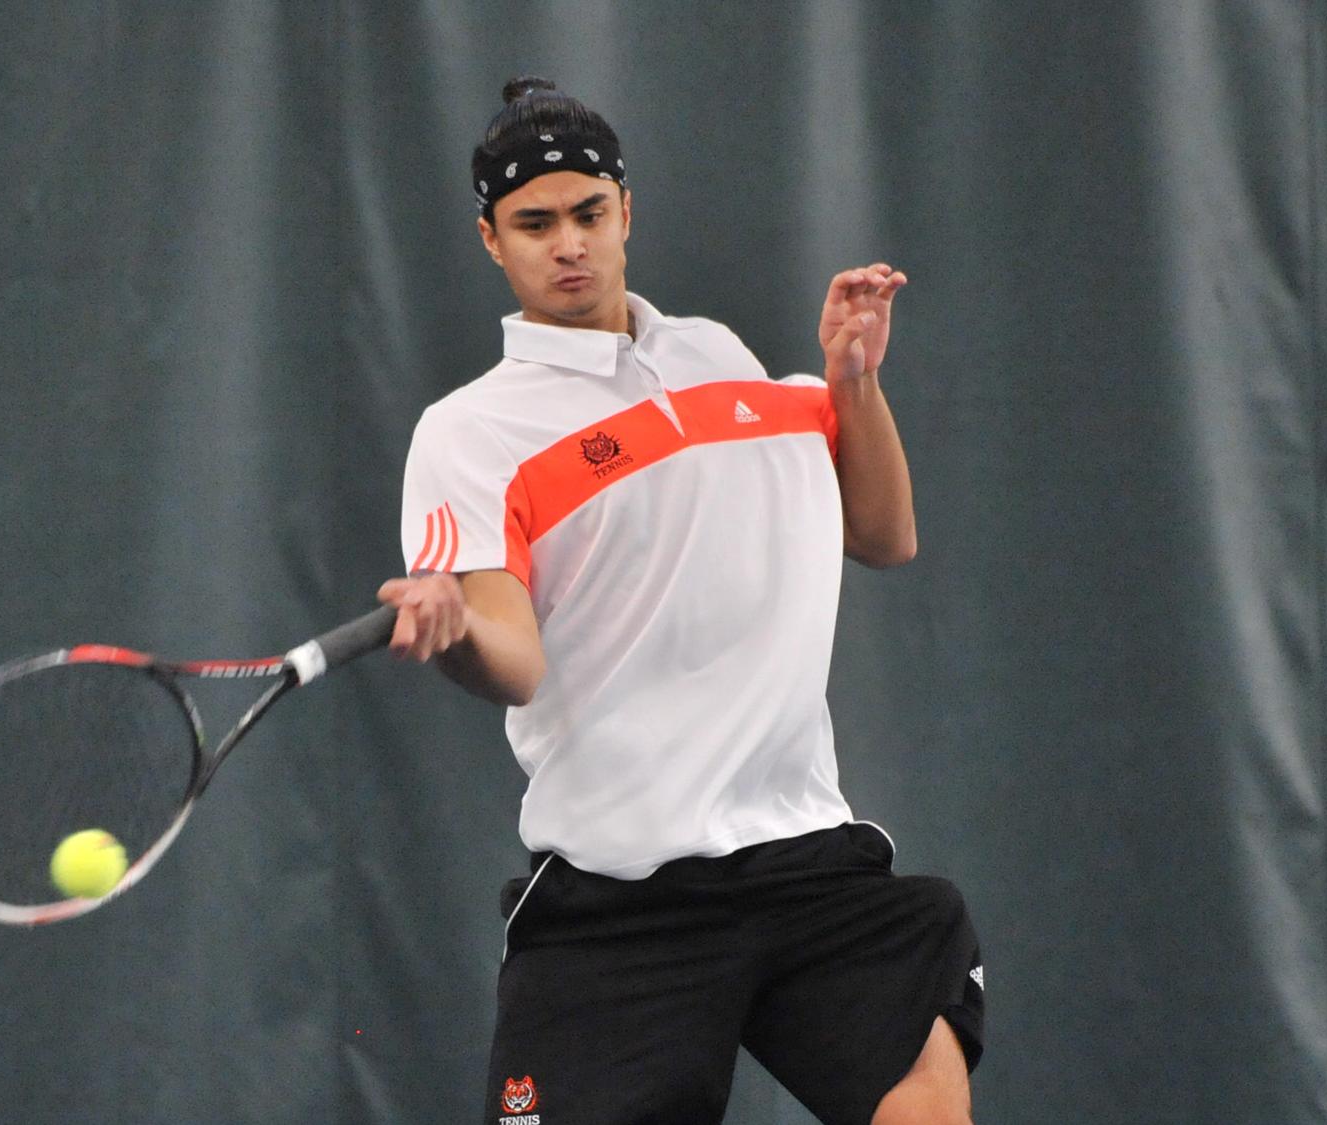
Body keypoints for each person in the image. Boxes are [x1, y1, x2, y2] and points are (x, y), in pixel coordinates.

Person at [378, 76, 982, 1125]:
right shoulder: (467, 433)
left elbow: (883, 535)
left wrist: (851, 381)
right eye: (533, 224)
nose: (566, 245)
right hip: (617, 904)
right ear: (490, 240)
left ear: (625, 215)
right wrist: (456, 633)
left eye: (587, 214)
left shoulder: (717, 358)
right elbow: (513, 659)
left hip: (803, 864)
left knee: (924, 1095)